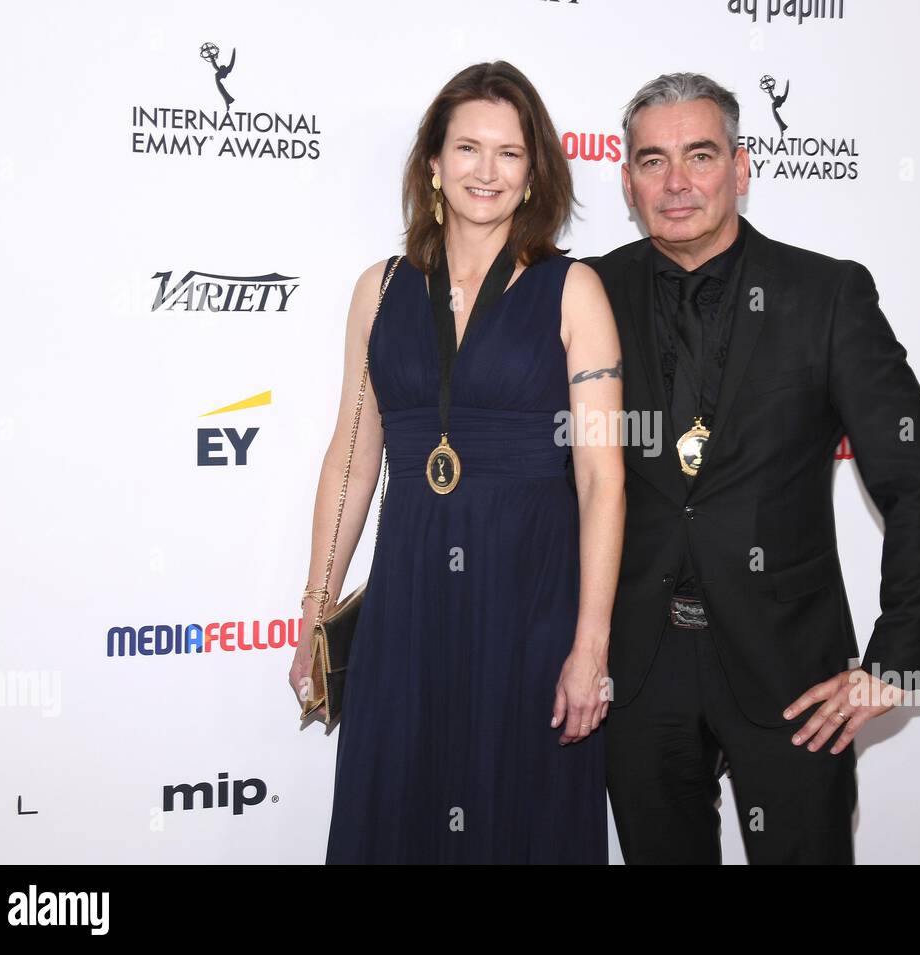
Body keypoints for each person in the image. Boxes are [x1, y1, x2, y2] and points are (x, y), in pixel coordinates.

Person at [584, 73, 920, 864]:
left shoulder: (825, 295)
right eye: (652, 161)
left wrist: (899, 663)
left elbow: (918, 476)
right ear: (626, 181)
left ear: (743, 168)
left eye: (700, 155)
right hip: (638, 668)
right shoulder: (587, 293)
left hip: (792, 668)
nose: (677, 183)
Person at [289, 60, 625, 864]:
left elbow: (602, 479)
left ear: (535, 169)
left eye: (510, 153)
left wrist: (591, 647)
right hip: (408, 603)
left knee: (523, 811)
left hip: (532, 602)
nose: (487, 171)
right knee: (398, 802)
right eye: (467, 148)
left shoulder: (573, 289)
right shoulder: (382, 287)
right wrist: (315, 602)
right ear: (433, 163)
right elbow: (352, 455)